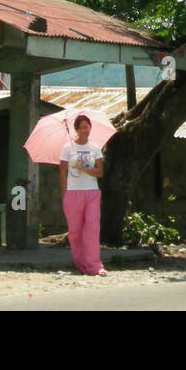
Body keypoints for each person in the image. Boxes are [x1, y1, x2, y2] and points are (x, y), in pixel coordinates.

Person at [60, 114, 107, 276]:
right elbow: (62, 171)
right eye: (80, 128)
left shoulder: (95, 148)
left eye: (86, 127)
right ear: (76, 130)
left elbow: (99, 172)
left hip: (91, 191)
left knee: (92, 229)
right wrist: (64, 194)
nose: (84, 130)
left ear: (90, 128)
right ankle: (80, 263)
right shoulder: (68, 148)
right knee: (75, 231)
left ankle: (95, 265)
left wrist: (83, 169)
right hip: (73, 193)